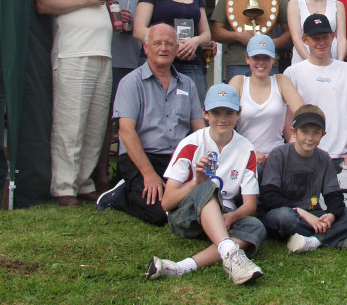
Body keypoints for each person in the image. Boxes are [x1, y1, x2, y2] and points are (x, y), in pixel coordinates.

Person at [145, 83, 265, 285]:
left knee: (256, 226)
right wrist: (196, 183)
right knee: (208, 185)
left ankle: (181, 267)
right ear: (205, 113)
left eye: (229, 113)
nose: (222, 119)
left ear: (238, 114)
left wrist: (232, 217)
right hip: (187, 216)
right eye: (216, 113)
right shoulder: (191, 144)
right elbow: (166, 203)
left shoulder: (246, 149)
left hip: (224, 217)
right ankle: (230, 252)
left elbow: (250, 205)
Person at [36, 0, 116, 207]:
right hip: (73, 53)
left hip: (102, 53)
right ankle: (63, 187)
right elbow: (43, 2)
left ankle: (84, 182)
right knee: (70, 124)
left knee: (94, 126)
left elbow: (94, 8)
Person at [96, 23, 206, 224]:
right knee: (159, 214)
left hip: (176, 159)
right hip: (141, 156)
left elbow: (200, 128)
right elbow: (126, 132)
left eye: (169, 44)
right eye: (157, 43)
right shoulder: (131, 83)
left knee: (188, 203)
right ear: (146, 48)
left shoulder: (187, 84)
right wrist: (149, 175)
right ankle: (120, 194)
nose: (164, 48)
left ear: (176, 48)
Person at [96, 0, 156, 192]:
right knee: (105, 121)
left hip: (140, 60)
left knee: (135, 121)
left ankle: (126, 175)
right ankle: (100, 177)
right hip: (111, 57)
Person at [260, 104, 347, 253]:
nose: (310, 138)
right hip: (285, 213)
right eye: (304, 132)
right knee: (284, 217)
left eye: (316, 133)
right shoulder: (279, 154)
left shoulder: (324, 158)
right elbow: (269, 196)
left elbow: (334, 196)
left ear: (323, 134)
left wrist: (331, 215)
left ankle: (314, 240)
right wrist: (301, 212)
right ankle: (335, 236)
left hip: (313, 213)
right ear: (294, 132)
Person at [284, 13, 347, 201]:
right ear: (305, 39)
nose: (321, 43)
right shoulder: (292, 73)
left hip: (340, 157)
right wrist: (294, 146)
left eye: (325, 37)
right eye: (315, 38)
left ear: (333, 36)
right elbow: (288, 118)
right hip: (305, 153)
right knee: (304, 205)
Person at [134, 0, 211, 104]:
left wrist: (195, 41)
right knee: (154, 110)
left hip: (190, 63)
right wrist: (170, 45)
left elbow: (206, 34)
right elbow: (139, 30)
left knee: (196, 111)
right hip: (157, 62)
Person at [228, 34, 304, 179]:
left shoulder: (281, 81)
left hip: (278, 158)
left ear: (273, 60)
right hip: (243, 156)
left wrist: (290, 146)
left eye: (266, 58)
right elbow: (225, 123)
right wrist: (248, 151)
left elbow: (304, 114)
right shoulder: (238, 82)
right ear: (247, 59)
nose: (261, 62)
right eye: (256, 58)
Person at [211, 0, 290, 80]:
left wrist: (268, 43)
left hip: (268, 62)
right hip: (237, 63)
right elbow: (216, 32)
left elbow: (289, 33)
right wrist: (237, 36)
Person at [288, 0, 347, 65]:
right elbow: (296, 38)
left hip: (332, 63)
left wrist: (340, 63)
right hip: (303, 64)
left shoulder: (337, 5)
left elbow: (341, 38)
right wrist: (312, 63)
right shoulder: (295, 4)